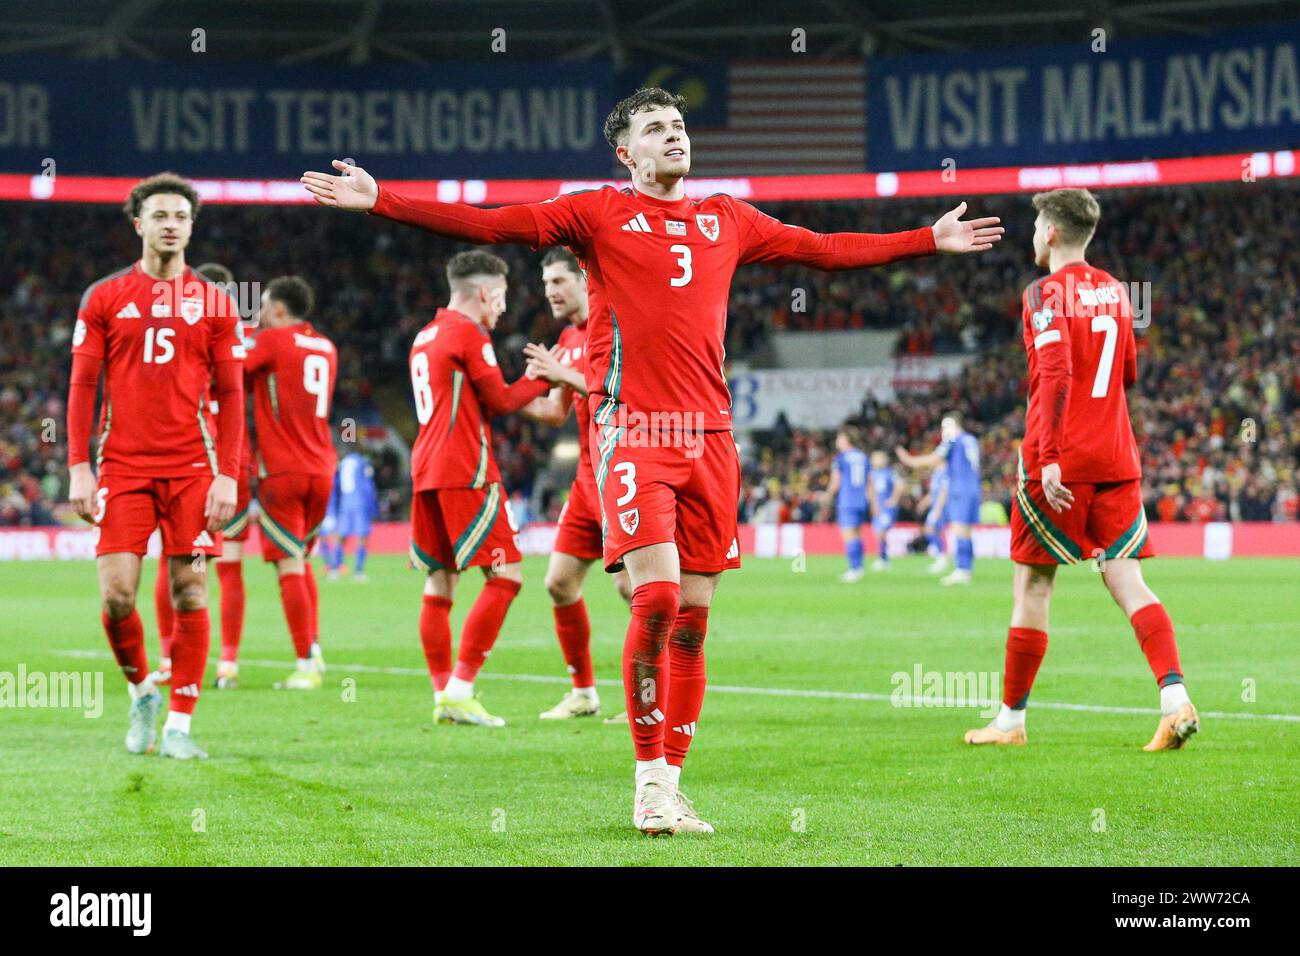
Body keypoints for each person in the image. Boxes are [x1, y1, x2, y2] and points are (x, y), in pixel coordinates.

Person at [301, 86, 1002, 835]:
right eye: (654, 128)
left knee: (695, 622)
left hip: (712, 438)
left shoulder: (726, 218)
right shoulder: (597, 212)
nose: (673, 136)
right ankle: (644, 783)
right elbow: (496, 223)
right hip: (636, 430)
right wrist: (385, 201)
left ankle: (671, 780)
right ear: (624, 152)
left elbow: (821, 249)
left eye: (678, 125)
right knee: (657, 600)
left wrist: (926, 239)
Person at [964, 187, 1197, 750]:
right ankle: (1174, 699)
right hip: (1117, 457)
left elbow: (1054, 373)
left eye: (1036, 224)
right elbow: (1128, 374)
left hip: (1062, 464)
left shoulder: (1043, 293)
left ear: (1049, 232)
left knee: (1034, 586)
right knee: (1127, 579)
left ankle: (1011, 722)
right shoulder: (1116, 291)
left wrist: (1045, 457)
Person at [66, 172, 243, 759]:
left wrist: (227, 473)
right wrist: (78, 465)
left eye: (181, 216)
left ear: (192, 227)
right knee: (118, 594)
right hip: (122, 466)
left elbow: (234, 395)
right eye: (160, 215)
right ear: (138, 223)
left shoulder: (216, 302)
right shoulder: (104, 297)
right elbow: (82, 385)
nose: (171, 224)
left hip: (194, 468)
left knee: (190, 589)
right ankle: (143, 690)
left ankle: (180, 727)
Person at [406, 251, 557, 726]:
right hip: (465, 467)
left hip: (426, 468)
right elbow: (499, 399)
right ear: (486, 293)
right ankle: (461, 688)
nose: (503, 310)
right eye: (503, 298)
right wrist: (540, 378)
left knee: (439, 580)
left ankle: (442, 694)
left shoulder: (425, 335)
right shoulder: (468, 332)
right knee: (507, 574)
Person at [521, 247, 632, 719]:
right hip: (588, 481)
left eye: (558, 282)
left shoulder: (620, 323)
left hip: (625, 474)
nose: (550, 292)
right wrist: (495, 397)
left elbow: (614, 387)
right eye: (545, 284)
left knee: (636, 590)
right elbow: (551, 410)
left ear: (585, 281)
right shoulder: (566, 338)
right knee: (560, 582)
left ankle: (651, 697)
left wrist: (560, 374)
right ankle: (584, 692)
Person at [242, 276, 337, 689]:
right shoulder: (327, 347)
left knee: (288, 564)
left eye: (263, 307)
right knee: (301, 559)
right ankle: (314, 651)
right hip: (322, 469)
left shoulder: (273, 342)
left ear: (279, 309)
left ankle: (305, 664)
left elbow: (231, 375)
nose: (260, 315)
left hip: (282, 470)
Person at [897, 412, 981, 585]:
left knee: (959, 529)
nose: (943, 430)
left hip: (959, 488)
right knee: (965, 530)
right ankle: (966, 569)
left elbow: (935, 459)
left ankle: (962, 569)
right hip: (973, 488)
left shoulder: (952, 440)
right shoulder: (971, 439)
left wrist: (909, 460)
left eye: (945, 426)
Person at [823, 428, 869, 583]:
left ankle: (854, 569)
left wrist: (828, 495)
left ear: (846, 440)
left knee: (849, 535)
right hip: (861, 500)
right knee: (857, 534)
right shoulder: (862, 456)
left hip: (847, 500)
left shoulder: (841, 458)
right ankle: (860, 567)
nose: (837, 441)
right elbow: (870, 481)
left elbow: (836, 480)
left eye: (840, 438)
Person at [327, 449, 379, 582]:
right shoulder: (362, 462)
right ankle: (358, 571)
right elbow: (368, 486)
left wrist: (332, 509)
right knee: (362, 536)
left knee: (341, 535)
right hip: (360, 503)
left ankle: (334, 568)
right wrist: (373, 509)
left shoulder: (342, 463)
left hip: (345, 503)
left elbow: (335, 487)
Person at [867, 450, 901, 571]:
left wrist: (893, 499)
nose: (874, 461)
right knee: (878, 533)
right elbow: (871, 492)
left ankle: (883, 559)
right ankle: (883, 558)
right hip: (878, 508)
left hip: (887, 509)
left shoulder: (889, 473)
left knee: (881, 531)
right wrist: (873, 504)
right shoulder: (872, 474)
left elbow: (900, 485)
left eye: (877, 458)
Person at [921, 464, 950, 574]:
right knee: (932, 530)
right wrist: (924, 503)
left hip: (941, 507)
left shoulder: (944, 471)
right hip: (936, 506)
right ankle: (940, 556)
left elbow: (944, 491)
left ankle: (941, 557)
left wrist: (938, 508)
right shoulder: (936, 473)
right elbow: (934, 492)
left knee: (932, 529)